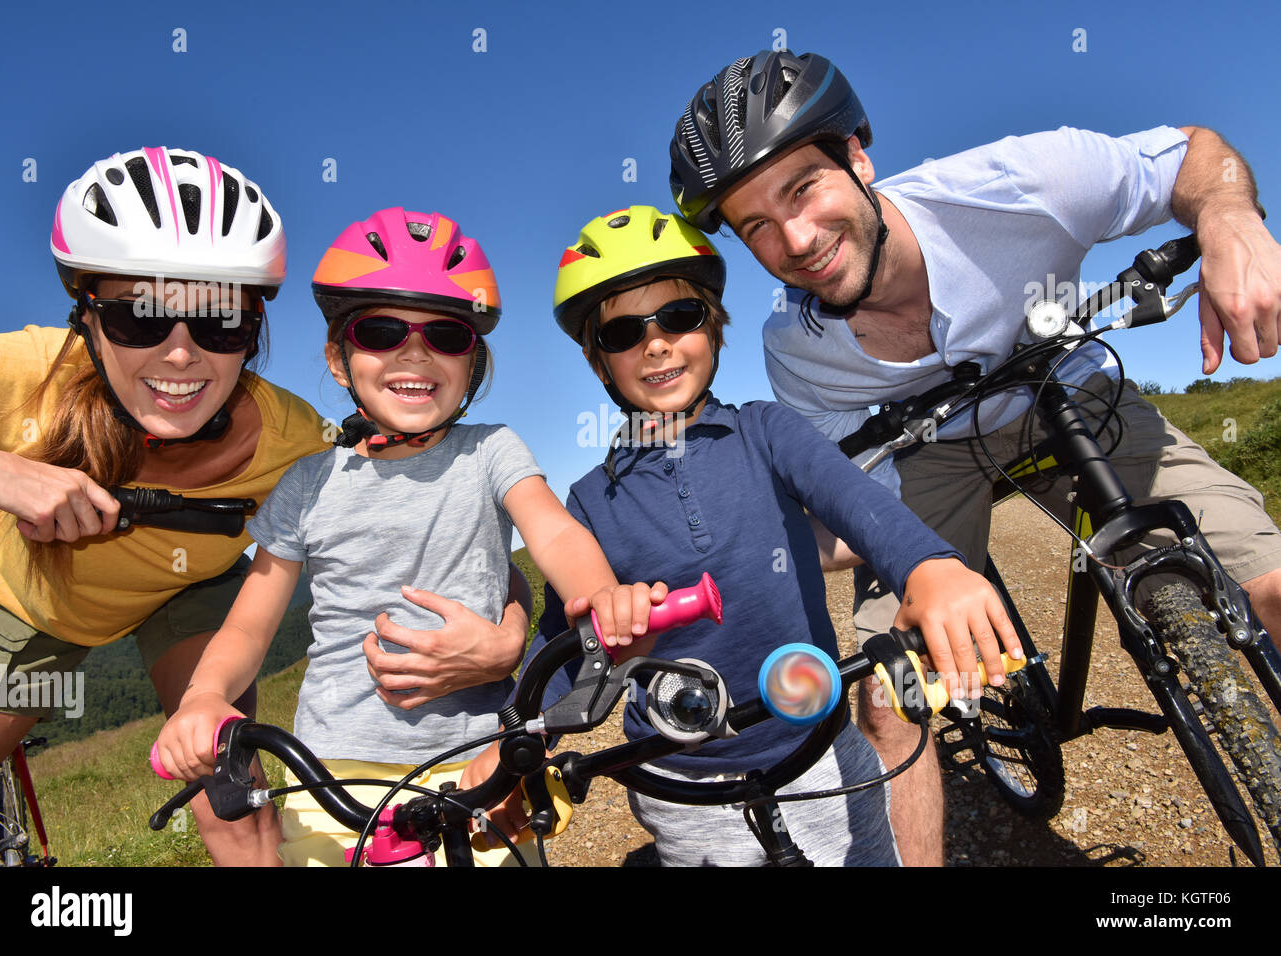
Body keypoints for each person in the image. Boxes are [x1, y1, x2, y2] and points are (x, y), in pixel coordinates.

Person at [668, 50, 1281, 866]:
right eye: (755, 227)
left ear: (858, 156)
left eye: (803, 188)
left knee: (1271, 588)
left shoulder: (1024, 185)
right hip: (926, 451)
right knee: (890, 697)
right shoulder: (798, 354)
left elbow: (1190, 156)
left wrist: (1230, 221)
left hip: (1068, 390)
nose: (797, 240)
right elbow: (859, 502)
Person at [463, 205, 1020, 866]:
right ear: (598, 361)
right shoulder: (588, 501)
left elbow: (857, 501)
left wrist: (930, 566)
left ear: (714, 325)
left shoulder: (767, 430)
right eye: (622, 333)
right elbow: (565, 641)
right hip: (680, 780)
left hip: (819, 747)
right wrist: (517, 735)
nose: (657, 344)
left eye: (678, 317)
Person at [152, 207, 655, 867]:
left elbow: (553, 532)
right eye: (382, 330)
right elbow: (248, 626)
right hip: (331, 772)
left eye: (445, 335)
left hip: (481, 758)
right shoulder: (306, 482)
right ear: (338, 358)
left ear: (471, 360)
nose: (414, 354)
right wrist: (204, 697)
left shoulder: (492, 451)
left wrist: (599, 596)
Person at [0, 146, 332, 865]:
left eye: (220, 323)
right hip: (31, 600)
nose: (180, 356)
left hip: (188, 587)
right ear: (86, 318)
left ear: (254, 332)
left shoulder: (296, 439)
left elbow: (413, 512)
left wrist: (508, 616)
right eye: (140, 318)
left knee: (232, 788)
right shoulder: (29, 372)